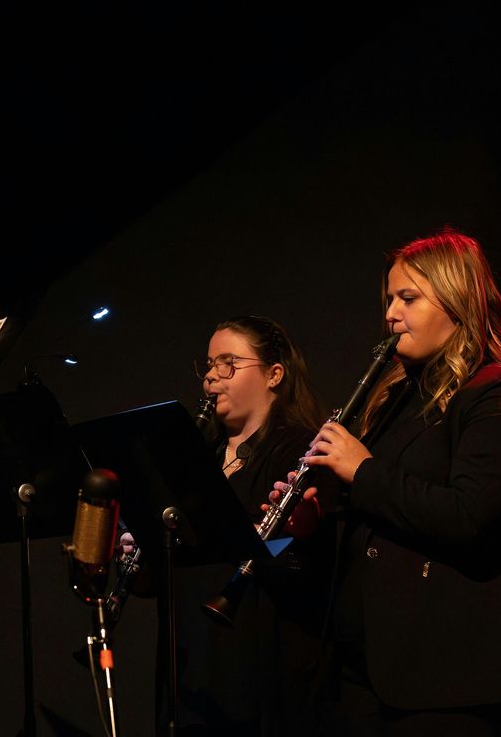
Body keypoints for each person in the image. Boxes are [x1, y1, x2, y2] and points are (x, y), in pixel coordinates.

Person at [276, 227, 501, 736]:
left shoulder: (498, 395)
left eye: (408, 298)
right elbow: (376, 526)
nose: (390, 314)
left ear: (456, 301)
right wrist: (313, 521)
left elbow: (469, 516)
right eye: (389, 299)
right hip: (364, 680)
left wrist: (362, 470)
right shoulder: (395, 399)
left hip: (445, 683)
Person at [168, 314, 330, 736]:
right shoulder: (195, 461)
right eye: (208, 365)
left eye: (228, 363)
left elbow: (306, 563)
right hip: (192, 666)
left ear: (274, 374)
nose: (211, 378)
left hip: (258, 665)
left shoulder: (300, 450)